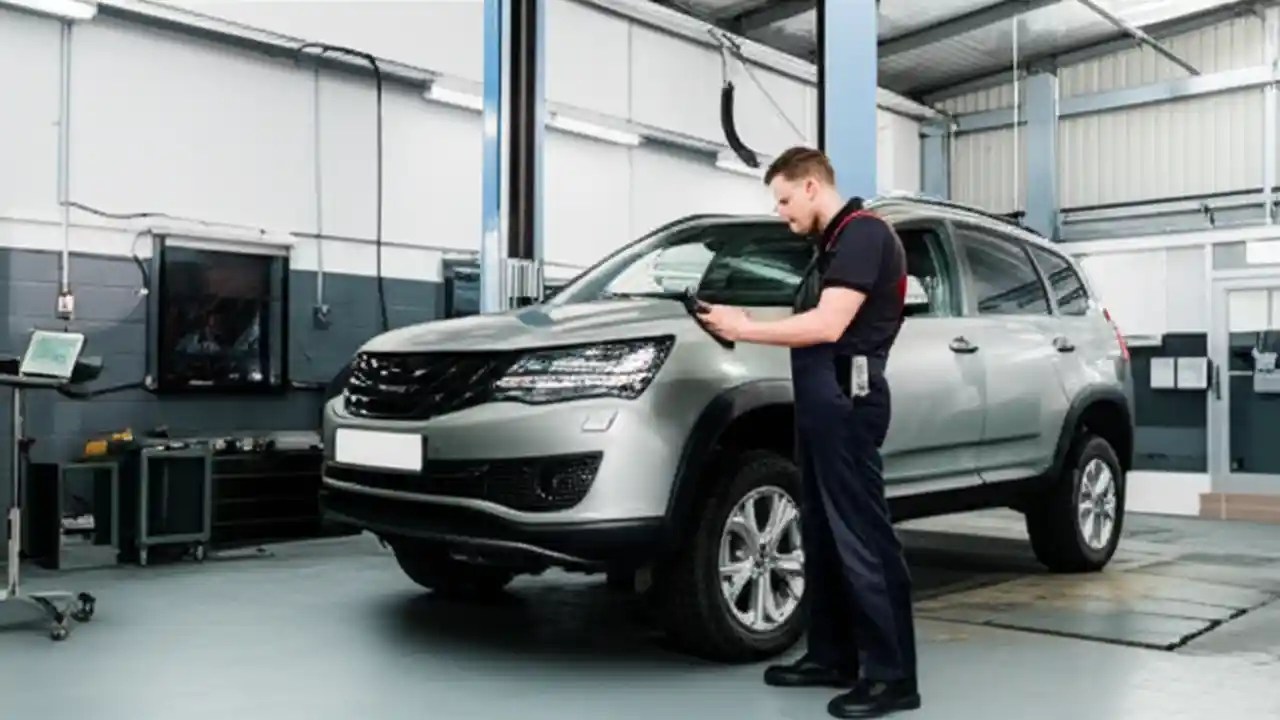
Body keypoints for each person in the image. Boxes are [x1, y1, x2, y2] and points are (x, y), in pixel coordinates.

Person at [698, 146, 920, 719]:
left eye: (784, 199)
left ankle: (892, 676)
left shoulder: (865, 233)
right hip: (822, 405)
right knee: (821, 534)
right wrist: (736, 317)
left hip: (849, 403)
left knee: (863, 538)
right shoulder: (832, 243)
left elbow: (828, 324)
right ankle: (832, 656)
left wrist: (745, 330)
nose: (781, 212)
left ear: (813, 188)